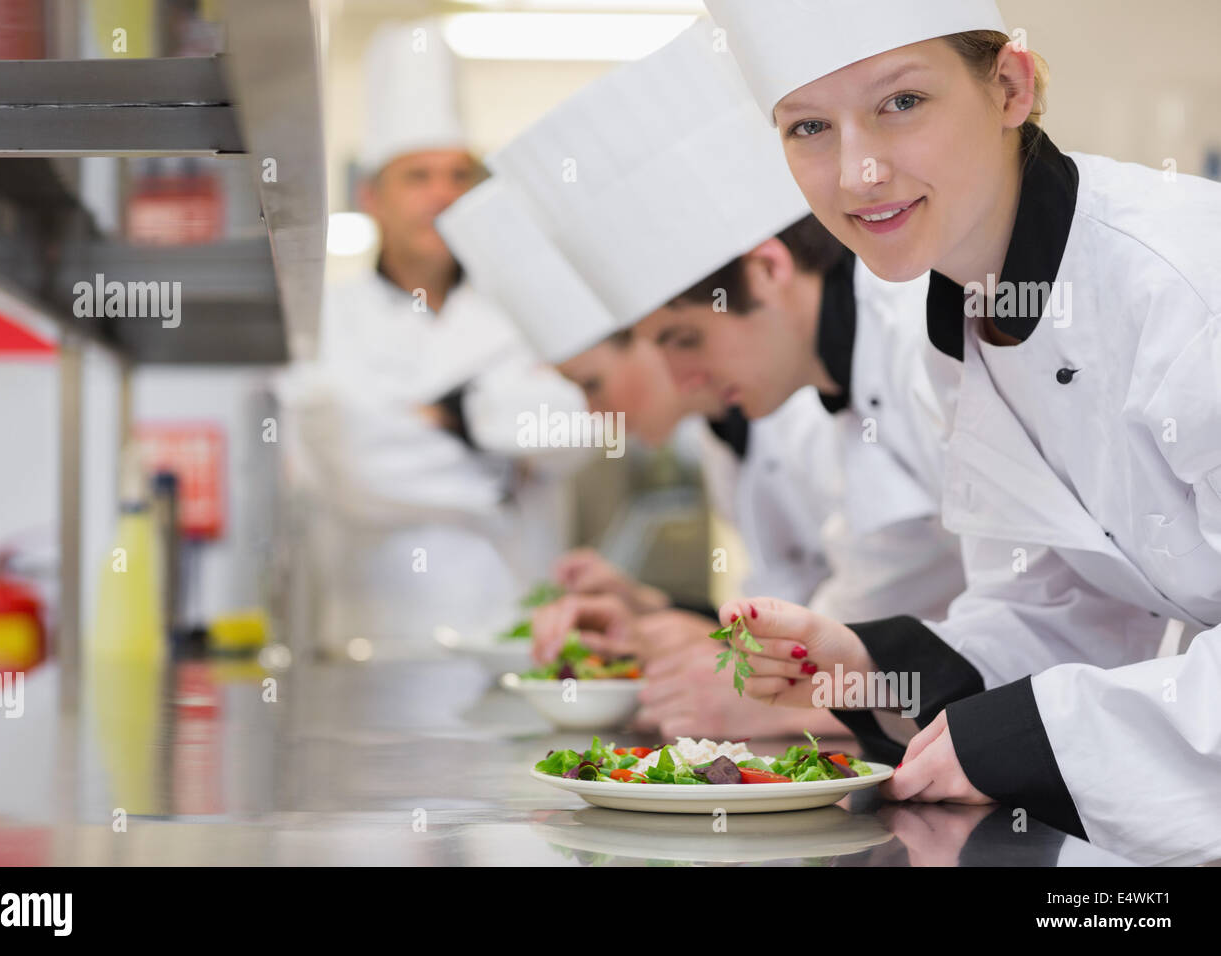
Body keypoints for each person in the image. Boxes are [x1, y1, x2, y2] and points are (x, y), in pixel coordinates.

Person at [705, 0, 1221, 864]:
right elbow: (1066, 607)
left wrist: (1039, 734)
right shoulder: (956, 335)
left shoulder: (1184, 286)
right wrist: (877, 665)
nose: (858, 172)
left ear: (1012, 86)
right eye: (808, 127)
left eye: (901, 103)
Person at [438, 176, 847, 740]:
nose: (593, 411)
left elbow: (897, 634)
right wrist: (651, 611)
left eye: (593, 383)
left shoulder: (813, 405)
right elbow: (799, 615)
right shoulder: (722, 436)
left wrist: (757, 684)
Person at [276, 20, 585, 651]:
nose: (441, 195)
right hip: (375, 641)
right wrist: (501, 467)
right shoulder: (324, 322)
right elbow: (349, 463)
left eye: (459, 175)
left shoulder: (529, 311)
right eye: (417, 176)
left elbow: (579, 429)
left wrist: (445, 420)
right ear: (371, 196)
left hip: (520, 639)